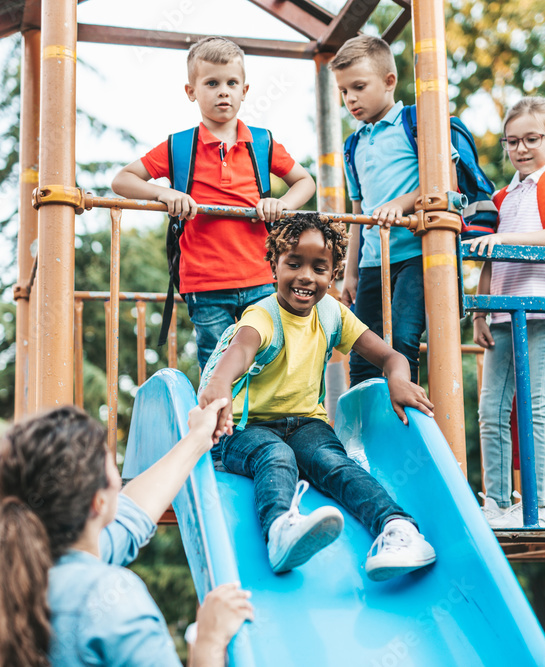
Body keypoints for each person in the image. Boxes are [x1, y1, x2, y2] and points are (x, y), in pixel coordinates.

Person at [198, 212, 437, 581]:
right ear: (274, 266)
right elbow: (242, 350)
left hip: (306, 424)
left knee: (333, 462)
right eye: (293, 263)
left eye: (319, 267)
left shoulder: (331, 314)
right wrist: (219, 384)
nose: (306, 276)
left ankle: (398, 528)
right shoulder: (263, 315)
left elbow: (390, 356)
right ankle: (279, 530)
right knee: (274, 455)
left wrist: (399, 377)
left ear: (334, 273)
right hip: (246, 428)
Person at [0, 401, 253, 667]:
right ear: (99, 503)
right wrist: (208, 645)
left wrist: (197, 439)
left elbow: (133, 514)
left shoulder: (13, 575)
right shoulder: (110, 594)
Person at [111, 36, 316, 369]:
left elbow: (304, 181)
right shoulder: (179, 146)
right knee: (216, 364)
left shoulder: (262, 142)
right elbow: (122, 180)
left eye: (232, 83)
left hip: (261, 278)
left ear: (244, 91)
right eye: (212, 83)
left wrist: (281, 203)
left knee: (268, 360)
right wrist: (165, 193)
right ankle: (220, 420)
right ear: (191, 91)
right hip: (205, 284)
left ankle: (260, 422)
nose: (224, 91)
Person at [468, 96, 545, 529]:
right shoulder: (504, 194)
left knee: (535, 408)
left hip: (542, 308)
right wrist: (479, 313)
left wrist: (501, 240)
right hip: (502, 314)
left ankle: (539, 506)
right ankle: (496, 504)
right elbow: (488, 260)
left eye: (531, 139)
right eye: (511, 142)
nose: (520, 149)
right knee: (490, 412)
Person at [330, 35, 439, 387]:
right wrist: (350, 272)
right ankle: (366, 437)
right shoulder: (354, 145)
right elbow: (359, 211)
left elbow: (441, 183)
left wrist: (401, 203)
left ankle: (405, 427)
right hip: (372, 262)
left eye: (359, 87)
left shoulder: (416, 122)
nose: (351, 99)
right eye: (344, 91)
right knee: (361, 351)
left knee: (403, 340)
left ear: (389, 81)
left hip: (414, 255)